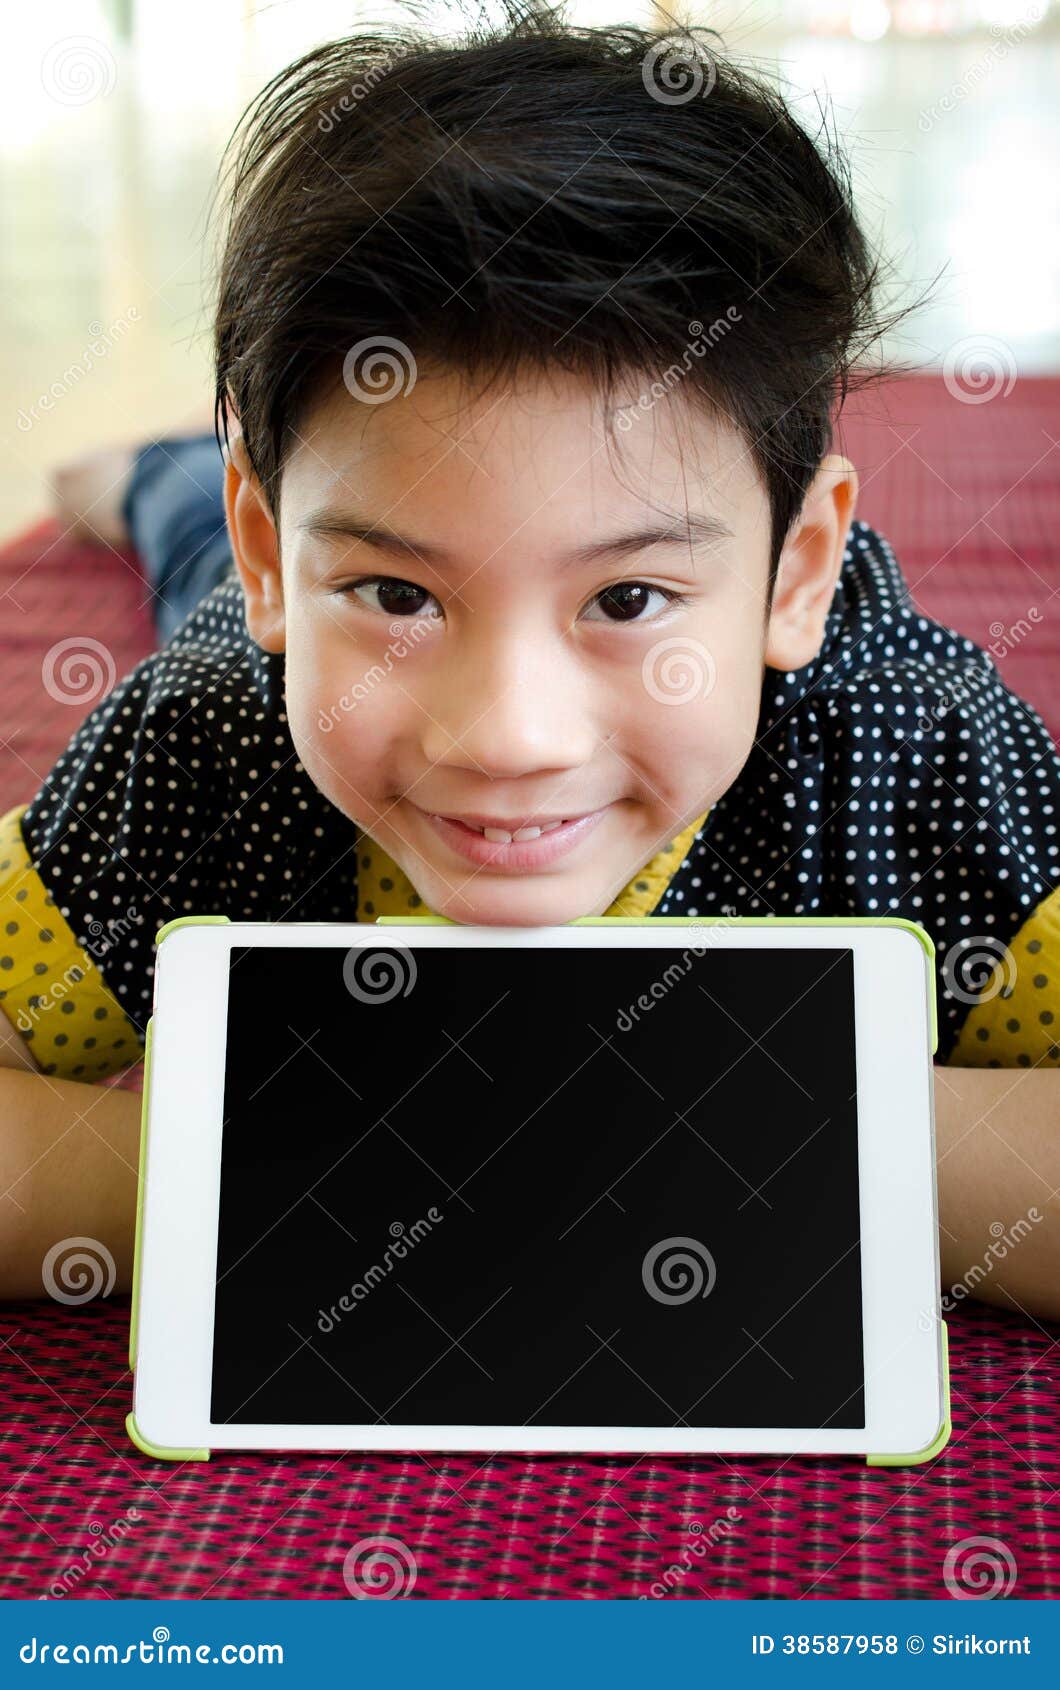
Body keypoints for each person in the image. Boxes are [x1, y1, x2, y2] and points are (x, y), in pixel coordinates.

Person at [2, 4, 1057, 1313]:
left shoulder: (917, 750)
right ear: (285, 557)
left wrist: (650, 1125)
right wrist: (265, 1168)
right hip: (234, 601)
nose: (505, 735)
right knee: (180, 547)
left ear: (793, 578)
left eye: (626, 597)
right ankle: (159, 484)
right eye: (399, 589)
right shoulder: (207, 735)